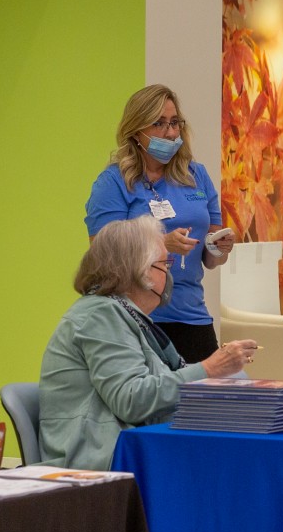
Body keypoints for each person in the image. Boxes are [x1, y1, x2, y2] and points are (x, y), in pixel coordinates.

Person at [39, 217, 257, 470]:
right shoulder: (101, 315)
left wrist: (218, 376)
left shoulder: (124, 315)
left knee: (237, 386)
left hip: (132, 446)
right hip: (102, 459)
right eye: (164, 263)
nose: (168, 273)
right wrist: (209, 369)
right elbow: (130, 400)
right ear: (138, 271)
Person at [85, 84, 236, 362]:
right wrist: (160, 245)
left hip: (191, 316)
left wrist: (219, 247)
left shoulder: (196, 176)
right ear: (136, 131)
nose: (170, 132)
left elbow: (211, 260)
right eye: (159, 124)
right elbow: (102, 257)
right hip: (135, 318)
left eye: (175, 123)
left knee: (206, 389)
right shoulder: (113, 182)